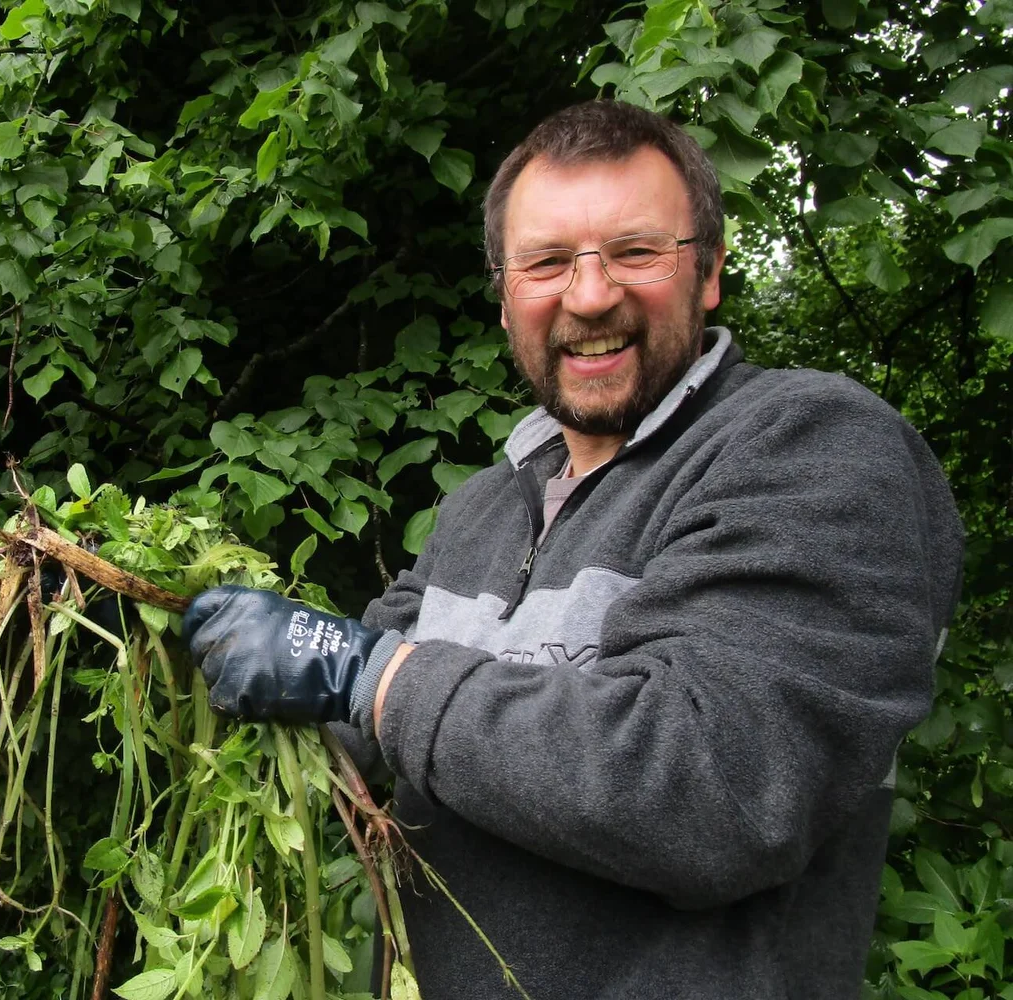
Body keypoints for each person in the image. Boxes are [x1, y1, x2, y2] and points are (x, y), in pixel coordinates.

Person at [182, 100, 964, 999]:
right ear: (506, 292)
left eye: (635, 252)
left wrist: (372, 675)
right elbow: (350, 718)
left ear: (707, 272)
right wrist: (171, 639)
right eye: (548, 262)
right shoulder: (484, 506)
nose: (590, 295)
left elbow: (717, 787)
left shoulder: (811, 447)